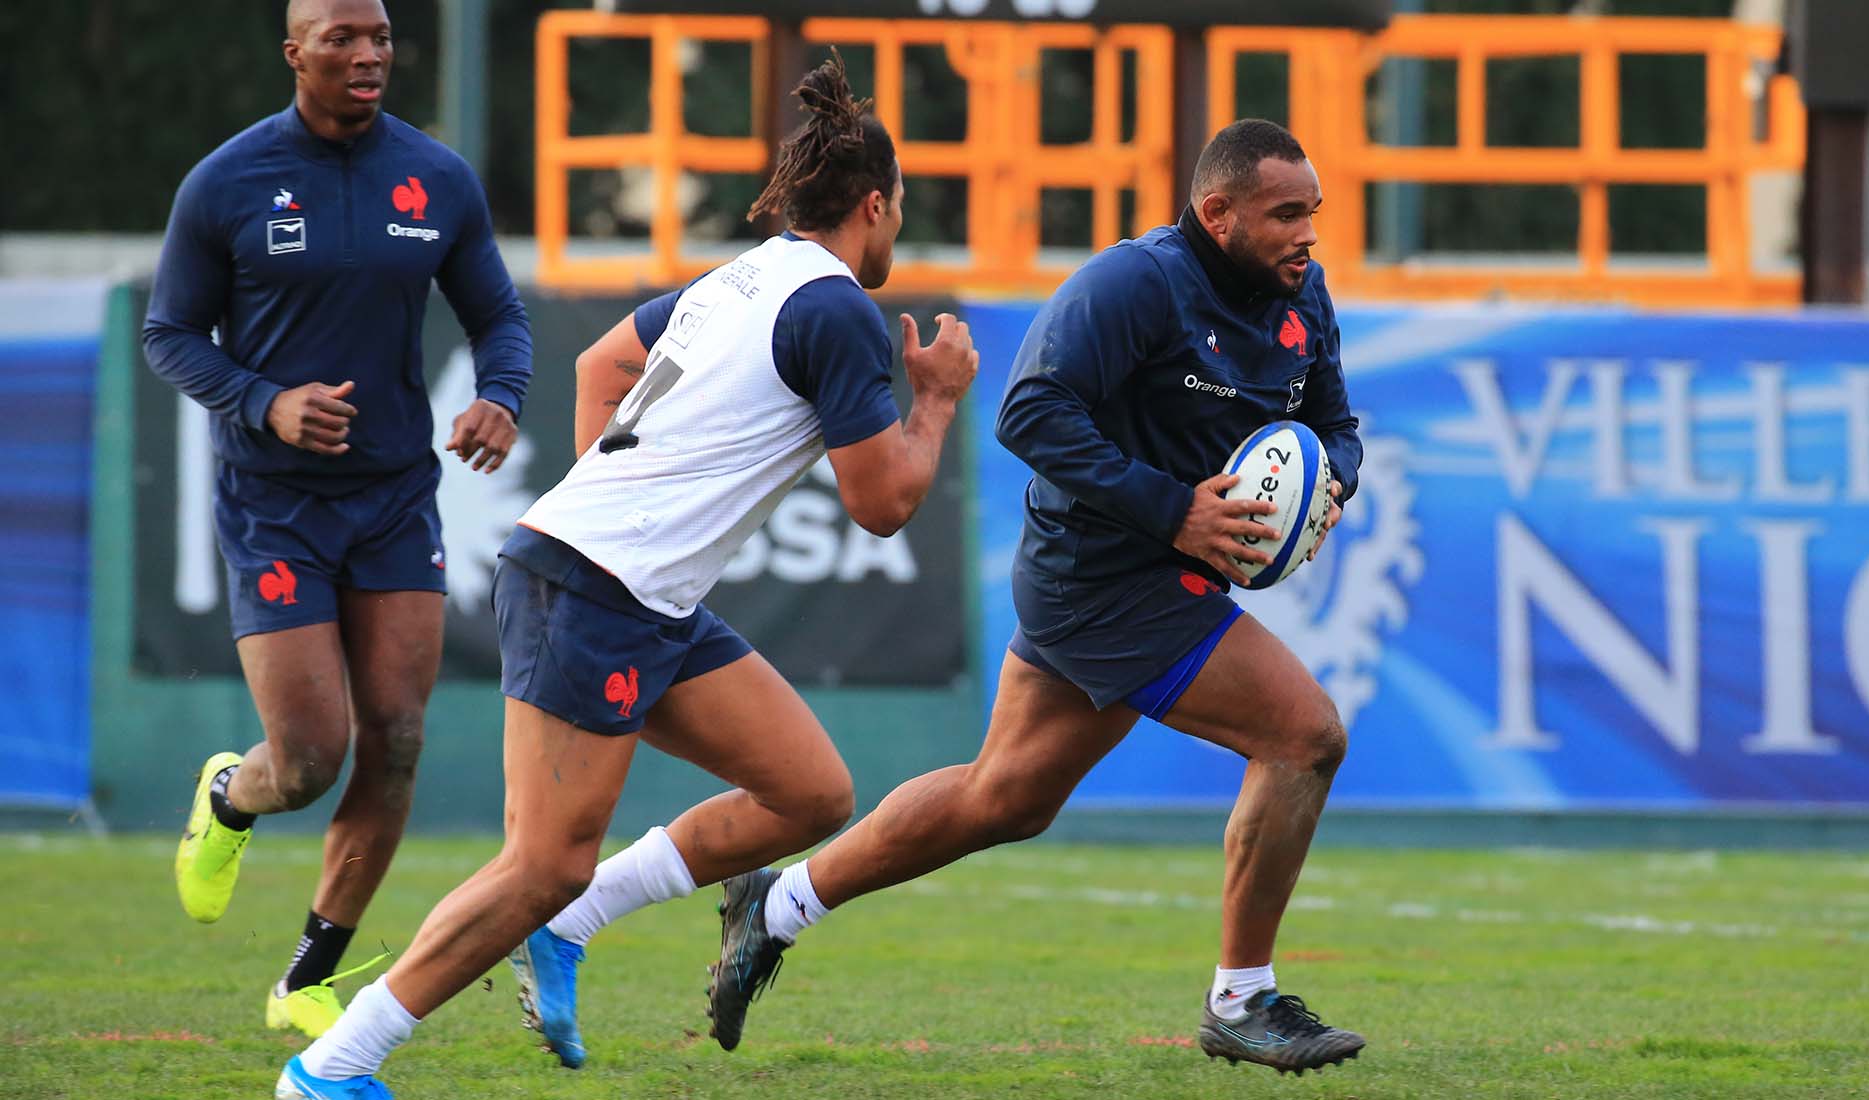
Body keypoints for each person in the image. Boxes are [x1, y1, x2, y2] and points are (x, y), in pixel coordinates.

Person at [528, 118, 1369, 1076]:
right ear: (1217, 214)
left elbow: (1334, 425)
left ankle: (780, 904)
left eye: (1312, 212)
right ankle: (1243, 999)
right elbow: (1030, 412)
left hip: (1143, 578)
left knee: (1003, 798)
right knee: (1304, 736)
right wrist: (1175, 510)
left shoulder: (1302, 293)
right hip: (1104, 578)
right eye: (1285, 214)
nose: (1307, 233)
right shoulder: (1135, 282)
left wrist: (1326, 486)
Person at [272, 54, 977, 1099]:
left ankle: (572, 921)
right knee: (539, 862)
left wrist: (616, 492)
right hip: (592, 585)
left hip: (636, 590)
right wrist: (937, 400)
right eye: (899, 209)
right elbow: (881, 506)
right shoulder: (833, 307)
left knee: (808, 791)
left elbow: (597, 363)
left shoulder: (743, 276)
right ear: (874, 204)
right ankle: (330, 1067)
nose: (897, 228)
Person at [144, 0, 530, 1041]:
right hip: (273, 503)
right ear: (294, 53)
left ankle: (307, 977)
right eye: (342, 40)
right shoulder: (225, 181)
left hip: (395, 496)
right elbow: (169, 332)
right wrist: (264, 400)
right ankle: (233, 796)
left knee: (395, 736)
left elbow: (497, 315)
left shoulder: (436, 177)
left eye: (381, 39)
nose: (368, 56)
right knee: (309, 759)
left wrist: (501, 394)